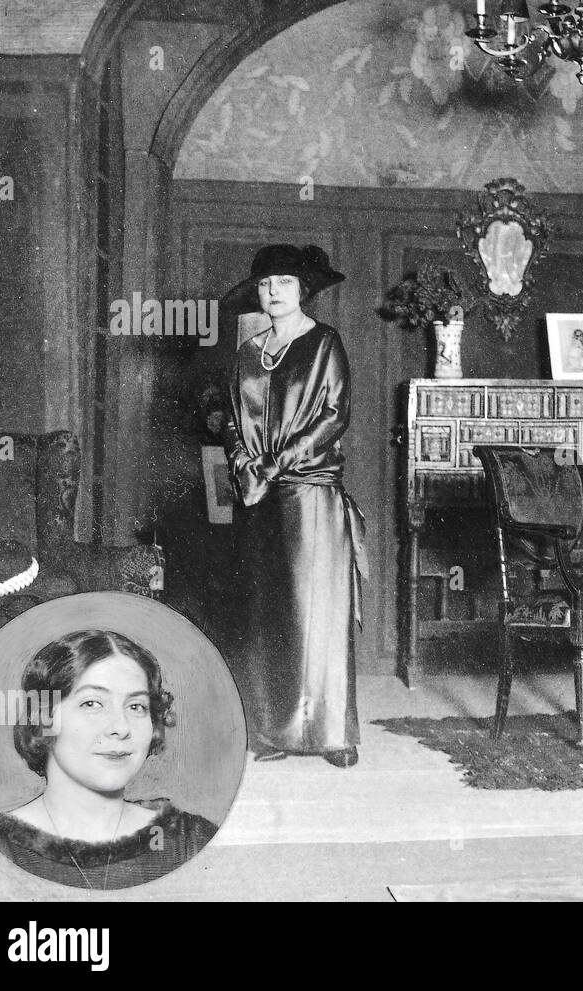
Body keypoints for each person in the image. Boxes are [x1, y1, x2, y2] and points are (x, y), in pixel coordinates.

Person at [222, 244, 367, 768]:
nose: (272, 291)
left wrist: (273, 463)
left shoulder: (325, 342)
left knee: (317, 613)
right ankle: (276, 732)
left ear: (302, 289)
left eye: (282, 282)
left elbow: (333, 415)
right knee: (269, 614)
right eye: (264, 284)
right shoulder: (247, 351)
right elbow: (233, 424)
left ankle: (332, 734)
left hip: (308, 491)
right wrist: (245, 467)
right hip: (257, 493)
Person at [0, 630, 218, 890]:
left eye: (136, 706)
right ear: (44, 718)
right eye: (92, 703)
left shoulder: (190, 840)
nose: (121, 727)